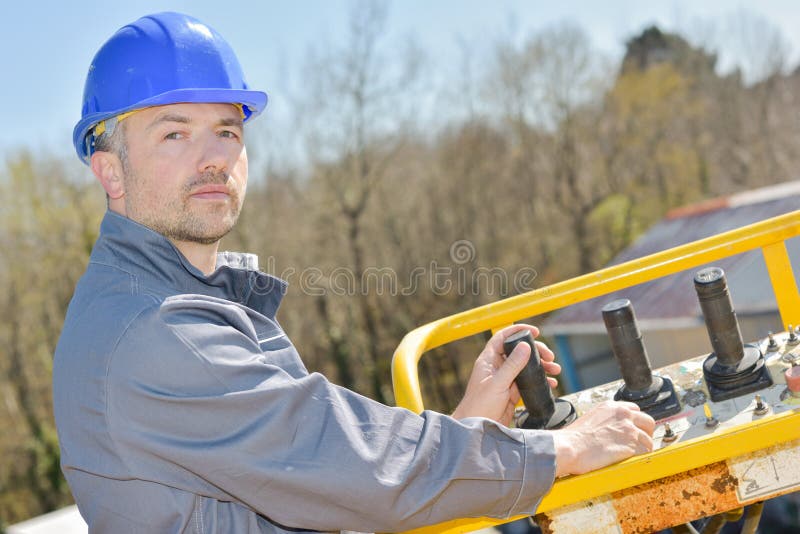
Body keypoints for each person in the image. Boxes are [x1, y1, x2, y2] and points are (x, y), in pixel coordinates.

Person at [53, 12, 655, 534]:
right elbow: (345, 458)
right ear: (110, 171)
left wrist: (469, 428)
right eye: (174, 133)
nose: (213, 156)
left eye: (227, 131)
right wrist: (559, 449)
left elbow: (330, 481)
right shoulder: (157, 330)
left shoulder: (163, 302)